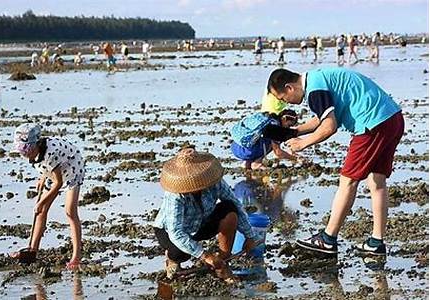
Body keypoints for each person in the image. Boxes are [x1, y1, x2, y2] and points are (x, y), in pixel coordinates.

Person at [267, 67, 404, 256]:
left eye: (282, 98)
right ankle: (376, 242)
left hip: (372, 124)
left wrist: (303, 144)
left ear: (289, 87)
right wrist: (295, 132)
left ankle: (328, 239)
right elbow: (323, 118)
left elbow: (329, 126)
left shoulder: (314, 90)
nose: (284, 103)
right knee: (377, 182)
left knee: (347, 181)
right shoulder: (318, 79)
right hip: (392, 117)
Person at [153, 147, 257, 281]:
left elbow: (235, 203)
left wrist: (249, 236)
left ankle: (222, 261)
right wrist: (205, 255)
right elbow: (175, 232)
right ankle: (172, 260)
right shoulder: (175, 195)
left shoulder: (213, 181)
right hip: (169, 230)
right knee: (180, 253)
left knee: (229, 209)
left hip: (201, 222)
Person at [9, 124, 85, 270]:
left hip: (72, 167)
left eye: (26, 150)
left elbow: (58, 183)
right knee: (41, 212)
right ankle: (32, 250)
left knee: (70, 211)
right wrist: (43, 177)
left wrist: (41, 201)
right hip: (55, 169)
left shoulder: (51, 154)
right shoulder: (37, 153)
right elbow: (45, 164)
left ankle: (76, 256)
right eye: (21, 150)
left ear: (36, 144)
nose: (24, 154)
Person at [230, 110, 300, 170]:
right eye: (289, 125)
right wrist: (296, 159)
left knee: (259, 137)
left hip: (235, 147)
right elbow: (278, 153)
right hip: (246, 152)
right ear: (284, 119)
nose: (288, 128)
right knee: (274, 140)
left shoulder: (267, 119)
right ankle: (257, 163)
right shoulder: (275, 126)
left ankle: (247, 162)